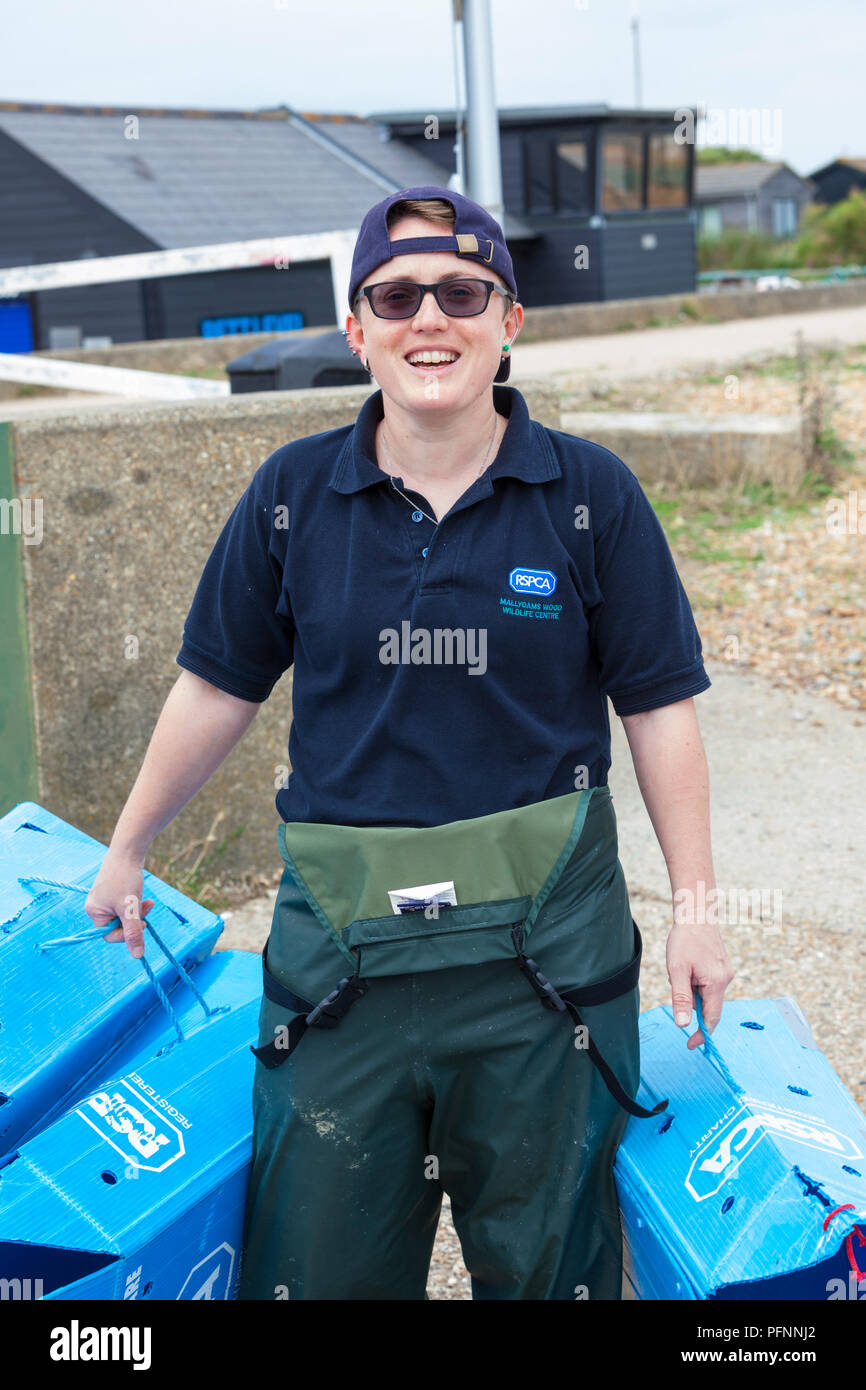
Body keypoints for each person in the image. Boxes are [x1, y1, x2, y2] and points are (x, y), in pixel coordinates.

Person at [85, 184, 734, 1301]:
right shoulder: (292, 494)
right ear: (356, 330)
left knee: (551, 1273)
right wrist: (128, 845)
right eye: (394, 297)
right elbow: (218, 686)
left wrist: (697, 908)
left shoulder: (591, 496)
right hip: (341, 964)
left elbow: (659, 708)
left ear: (509, 321)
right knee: (318, 1267)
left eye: (461, 294)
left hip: (546, 971)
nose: (428, 318)